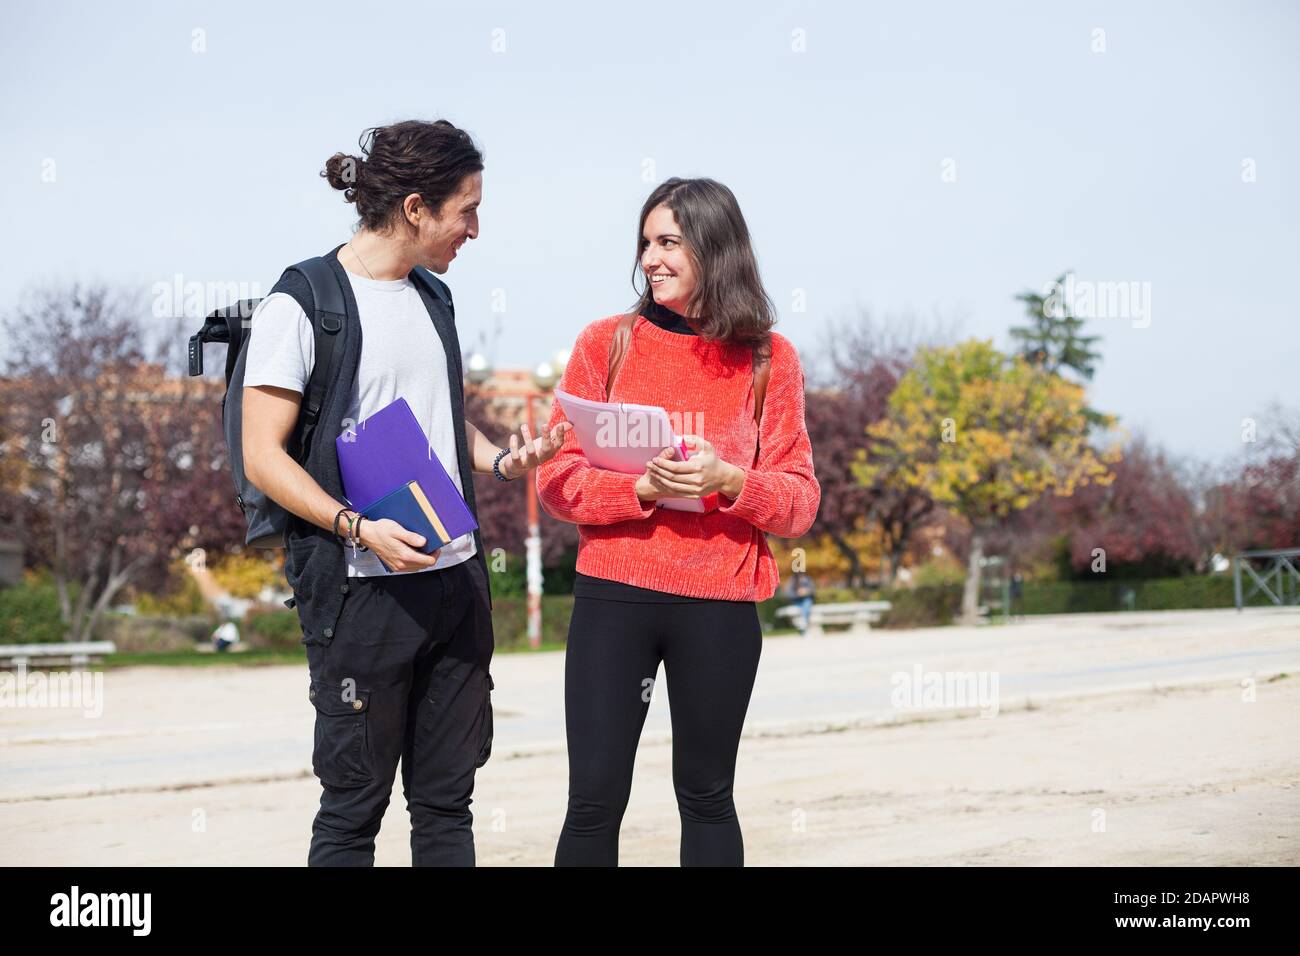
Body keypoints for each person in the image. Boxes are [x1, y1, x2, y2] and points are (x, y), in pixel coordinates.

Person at [241, 119, 569, 867]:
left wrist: (503, 463)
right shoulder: (301, 304)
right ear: (416, 208)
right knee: (354, 811)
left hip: (455, 582)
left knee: (448, 807)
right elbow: (262, 456)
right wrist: (357, 528)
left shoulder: (433, 298)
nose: (476, 230)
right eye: (467, 210)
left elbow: (436, 417)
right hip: (363, 597)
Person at [536, 177, 821, 866]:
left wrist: (731, 482)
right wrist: (639, 486)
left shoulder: (768, 359)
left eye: (668, 242)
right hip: (614, 599)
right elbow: (556, 480)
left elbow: (799, 501)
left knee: (707, 795)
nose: (651, 258)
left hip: (719, 606)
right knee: (594, 801)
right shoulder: (605, 343)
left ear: (714, 249)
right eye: (645, 243)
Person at [790, 571, 816, 636]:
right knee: (806, 606)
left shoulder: (808, 580)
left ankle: (803, 623)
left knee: (807, 603)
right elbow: (788, 593)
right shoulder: (792, 580)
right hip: (796, 601)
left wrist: (807, 592)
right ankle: (803, 623)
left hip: (806, 601)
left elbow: (813, 591)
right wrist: (798, 593)